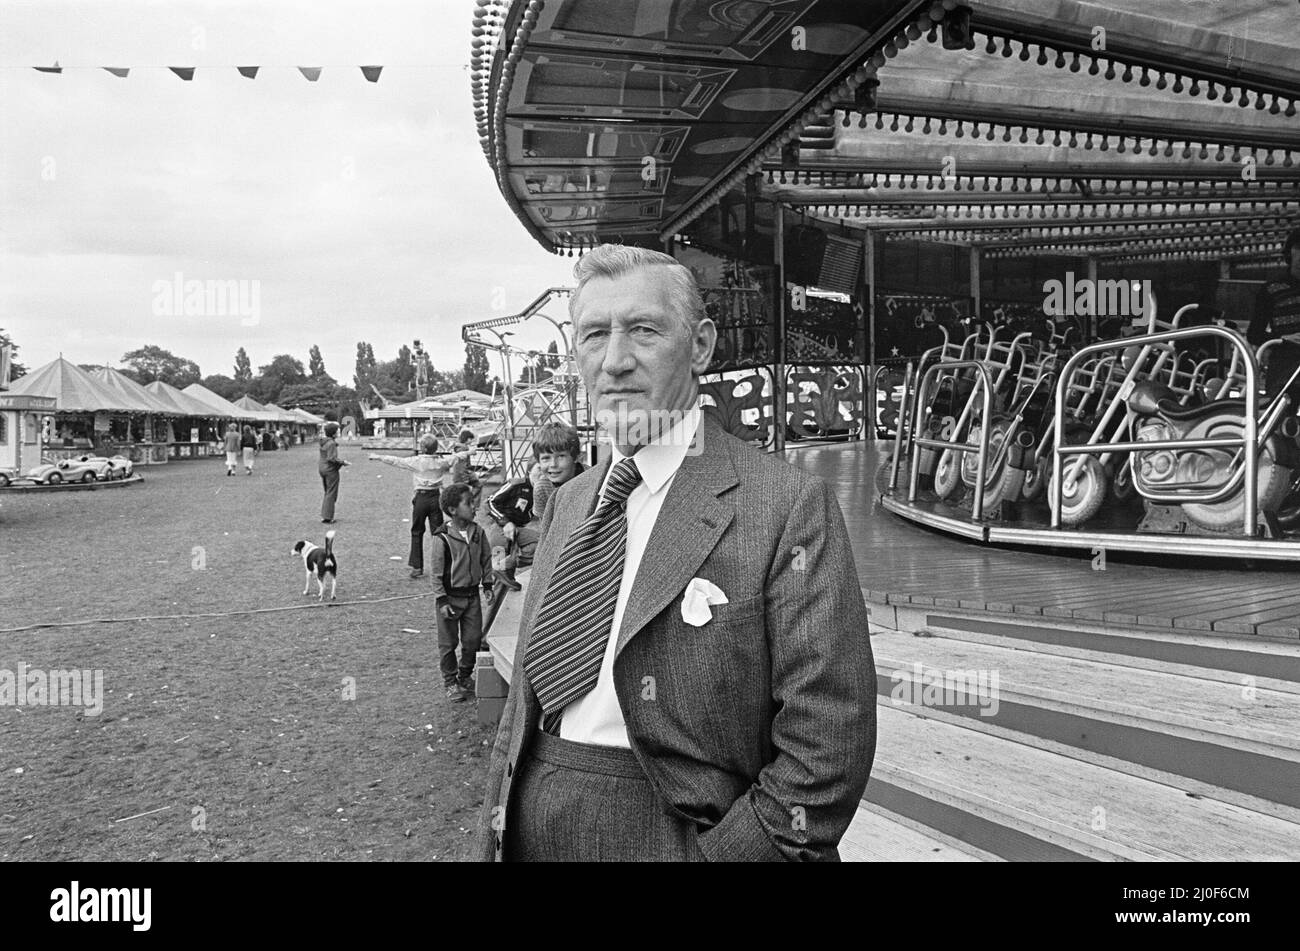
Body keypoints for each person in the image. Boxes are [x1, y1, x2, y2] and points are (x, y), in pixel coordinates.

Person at [476, 244, 875, 862]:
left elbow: (828, 739)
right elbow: (522, 708)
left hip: (680, 837)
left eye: (643, 330)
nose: (614, 361)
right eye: (592, 335)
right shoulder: (570, 501)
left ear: (701, 346)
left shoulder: (788, 504)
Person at [431, 483, 495, 702]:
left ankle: (465, 675)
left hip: (472, 598)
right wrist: (442, 600)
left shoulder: (478, 532)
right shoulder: (441, 538)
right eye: (468, 503)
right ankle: (450, 682)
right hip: (449, 599)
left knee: (472, 640)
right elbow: (437, 573)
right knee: (448, 643)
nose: (474, 506)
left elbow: (486, 559)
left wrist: (487, 585)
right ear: (453, 510)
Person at [369, 434, 451, 578]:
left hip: (421, 498)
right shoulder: (442, 462)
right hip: (436, 498)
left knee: (417, 531)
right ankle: (442, 567)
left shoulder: (416, 461)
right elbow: (456, 458)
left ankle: (417, 567)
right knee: (438, 533)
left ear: (423, 448)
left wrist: (378, 456)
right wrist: (468, 452)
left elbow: (396, 461)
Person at [1247, 228, 1300, 402]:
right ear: (1290, 252)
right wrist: (1283, 338)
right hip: (1284, 363)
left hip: (1284, 365)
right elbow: (1254, 334)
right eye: (1298, 248)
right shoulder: (1271, 289)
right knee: (1279, 418)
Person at [528, 421, 586, 526]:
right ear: (538, 462)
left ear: (577, 457)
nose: (553, 464)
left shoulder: (593, 479)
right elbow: (546, 528)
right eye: (546, 458)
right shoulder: (542, 488)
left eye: (561, 456)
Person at [318, 422, 348, 523]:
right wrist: (343, 462)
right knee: (331, 493)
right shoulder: (331, 444)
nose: (339, 432)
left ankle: (325, 515)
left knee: (328, 492)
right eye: (337, 431)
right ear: (334, 433)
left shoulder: (324, 442)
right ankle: (327, 517)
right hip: (330, 470)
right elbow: (331, 458)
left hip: (322, 468)